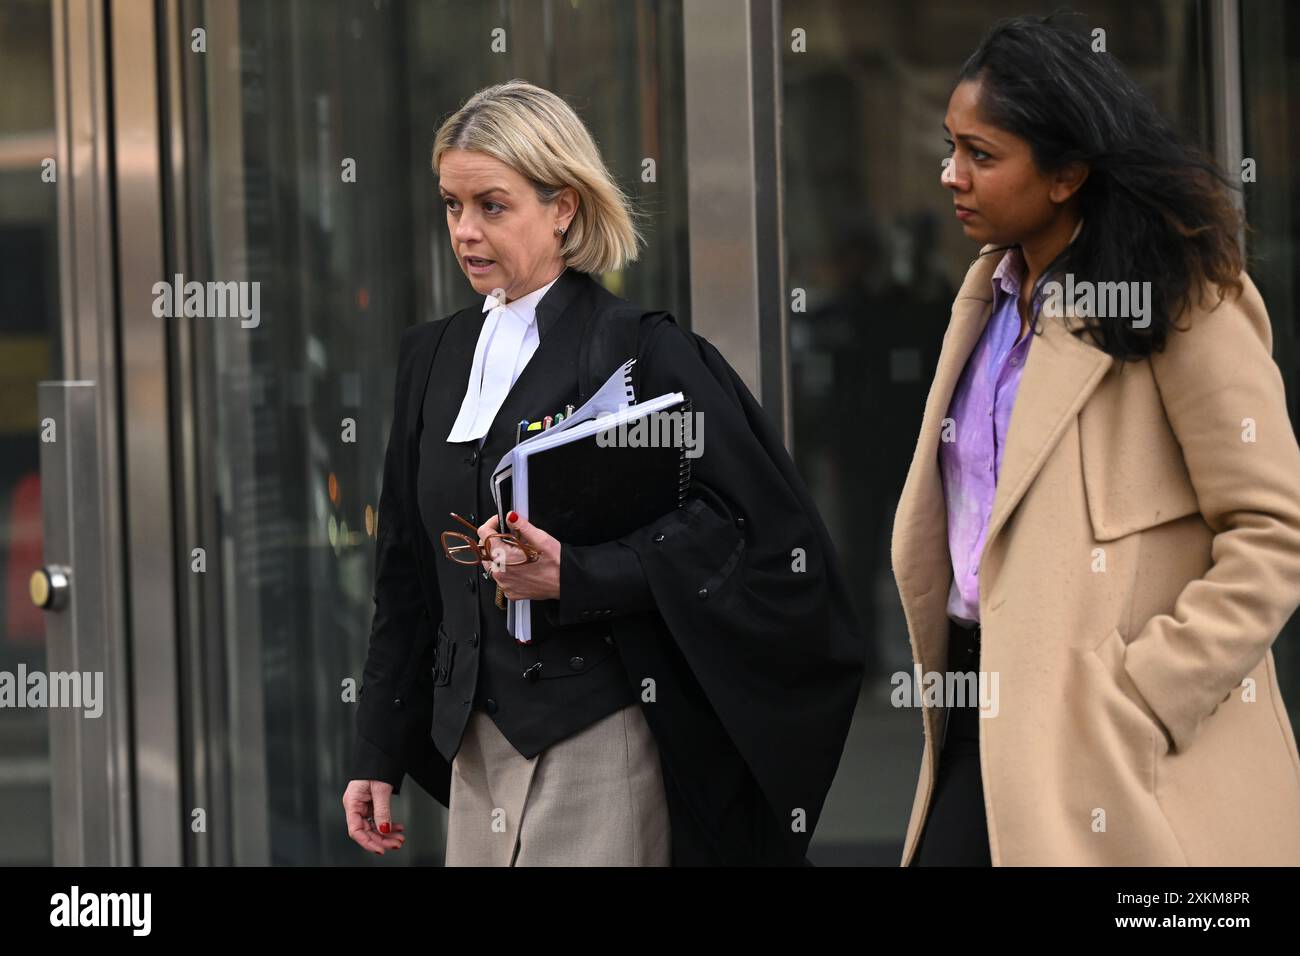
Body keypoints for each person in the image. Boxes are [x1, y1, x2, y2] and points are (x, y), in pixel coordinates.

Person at [341, 80, 865, 866]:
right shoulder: (432, 358)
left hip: (599, 735)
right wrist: (377, 748)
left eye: (492, 205)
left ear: (564, 207)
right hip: (474, 750)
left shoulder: (644, 351)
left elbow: (746, 531)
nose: (465, 231)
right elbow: (406, 575)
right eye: (452, 205)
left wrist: (581, 575)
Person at [895, 14, 1300, 865]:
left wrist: (1145, 696)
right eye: (951, 146)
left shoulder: (1183, 300)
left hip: (1112, 744)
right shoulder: (987, 298)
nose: (950, 176)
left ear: (1067, 174)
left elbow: (1275, 535)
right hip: (976, 708)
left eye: (982, 154)